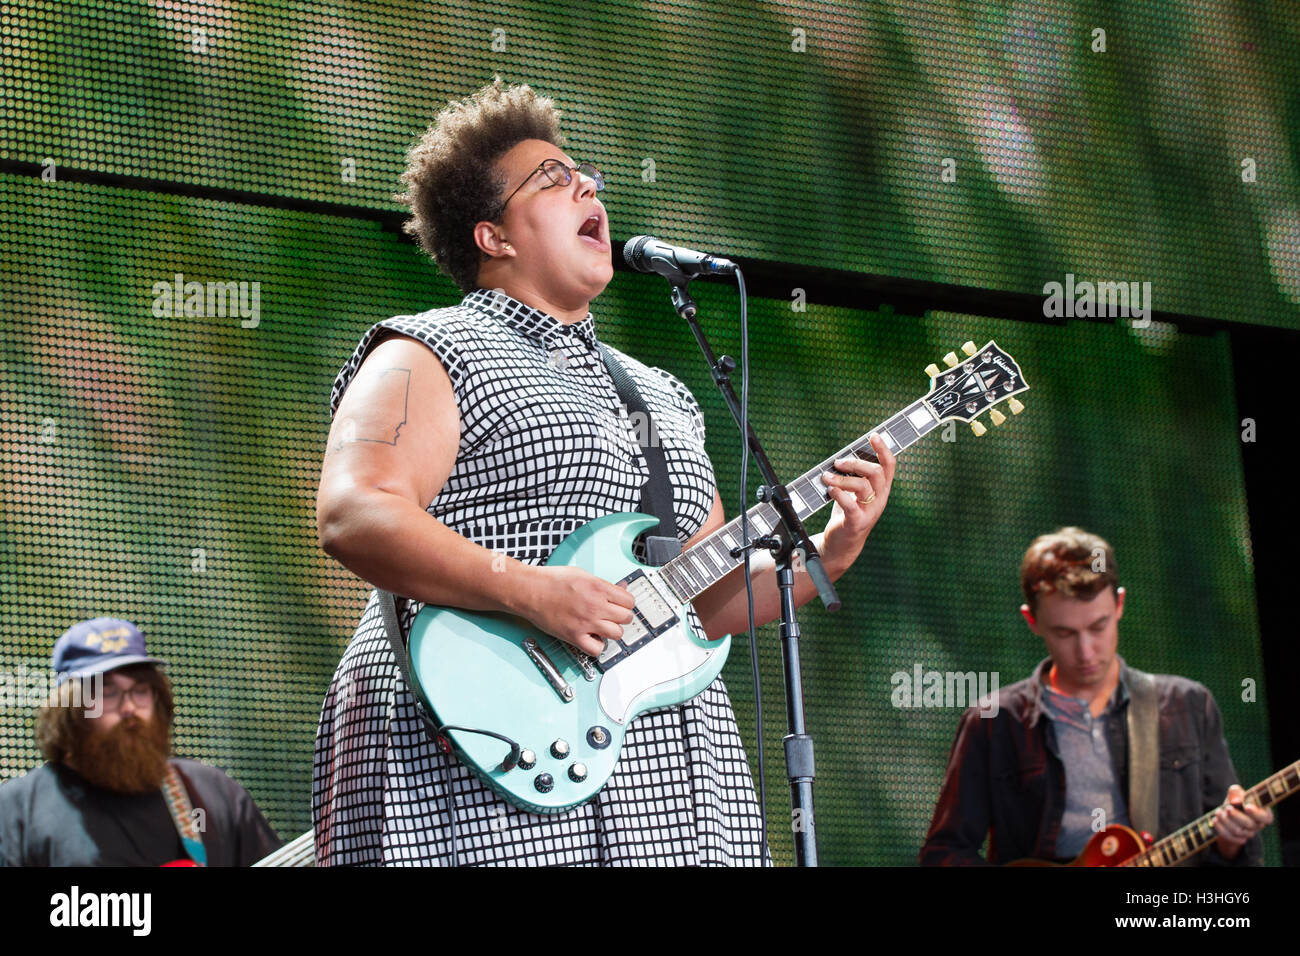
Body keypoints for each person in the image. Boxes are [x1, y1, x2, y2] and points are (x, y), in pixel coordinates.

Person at [312, 79, 898, 866]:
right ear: (494, 236)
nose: (587, 184)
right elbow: (355, 513)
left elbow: (710, 597)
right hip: (483, 754)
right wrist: (531, 589)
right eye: (552, 180)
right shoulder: (427, 350)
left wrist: (831, 550)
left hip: (670, 778)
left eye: (586, 175)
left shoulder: (661, 392)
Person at [919, 527, 1273, 866]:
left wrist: (1231, 842)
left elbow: (1232, 852)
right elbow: (943, 854)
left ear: (1119, 604)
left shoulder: (1188, 705)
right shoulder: (995, 721)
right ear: (1032, 621)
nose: (1086, 652)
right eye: (1065, 633)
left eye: (1098, 626)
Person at [0, 617, 283, 866]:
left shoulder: (212, 792)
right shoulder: (18, 810)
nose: (129, 708)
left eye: (140, 691)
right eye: (107, 693)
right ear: (70, 711)